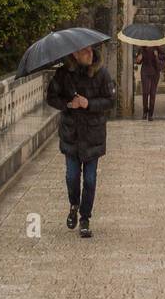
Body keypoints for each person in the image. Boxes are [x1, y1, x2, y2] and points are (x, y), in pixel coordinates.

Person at [46, 45, 116, 239]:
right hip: (71, 134)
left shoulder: (101, 73)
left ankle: (85, 218)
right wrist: (68, 104)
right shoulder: (63, 74)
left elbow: (110, 100)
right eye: (85, 51)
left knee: (91, 180)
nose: (90, 53)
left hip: (93, 135)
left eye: (91, 50)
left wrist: (89, 104)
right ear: (75, 54)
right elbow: (51, 97)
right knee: (72, 177)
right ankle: (74, 204)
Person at [136, 44, 165, 120]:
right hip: (145, 72)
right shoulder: (142, 48)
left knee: (152, 93)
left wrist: (157, 55)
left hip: (155, 72)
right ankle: (145, 112)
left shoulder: (156, 47)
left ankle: (150, 114)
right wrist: (138, 59)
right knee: (145, 92)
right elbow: (138, 61)